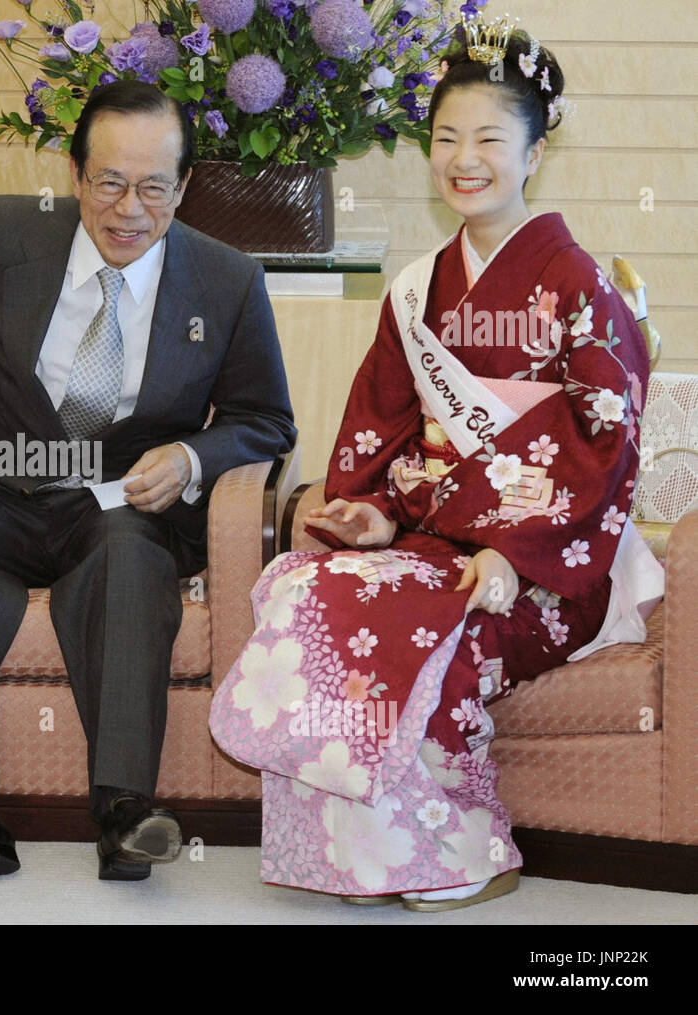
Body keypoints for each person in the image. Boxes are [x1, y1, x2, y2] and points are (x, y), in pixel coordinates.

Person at [209, 22, 664, 911]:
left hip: (548, 563)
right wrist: (368, 514)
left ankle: (468, 847)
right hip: (435, 540)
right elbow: (379, 432)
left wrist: (513, 550)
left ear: (536, 148)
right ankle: (353, 856)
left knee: (434, 640)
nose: (465, 158)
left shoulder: (578, 286)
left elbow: (601, 442)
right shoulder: (417, 290)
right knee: (308, 588)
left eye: (490, 138)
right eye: (447, 137)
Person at [0, 80, 296, 880]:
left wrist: (191, 458)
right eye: (110, 182)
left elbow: (266, 420)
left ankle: (125, 814)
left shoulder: (226, 281)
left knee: (128, 557)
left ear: (184, 186)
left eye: (154, 186)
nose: (129, 208)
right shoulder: (3, 231)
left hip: (123, 505)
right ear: (76, 175)